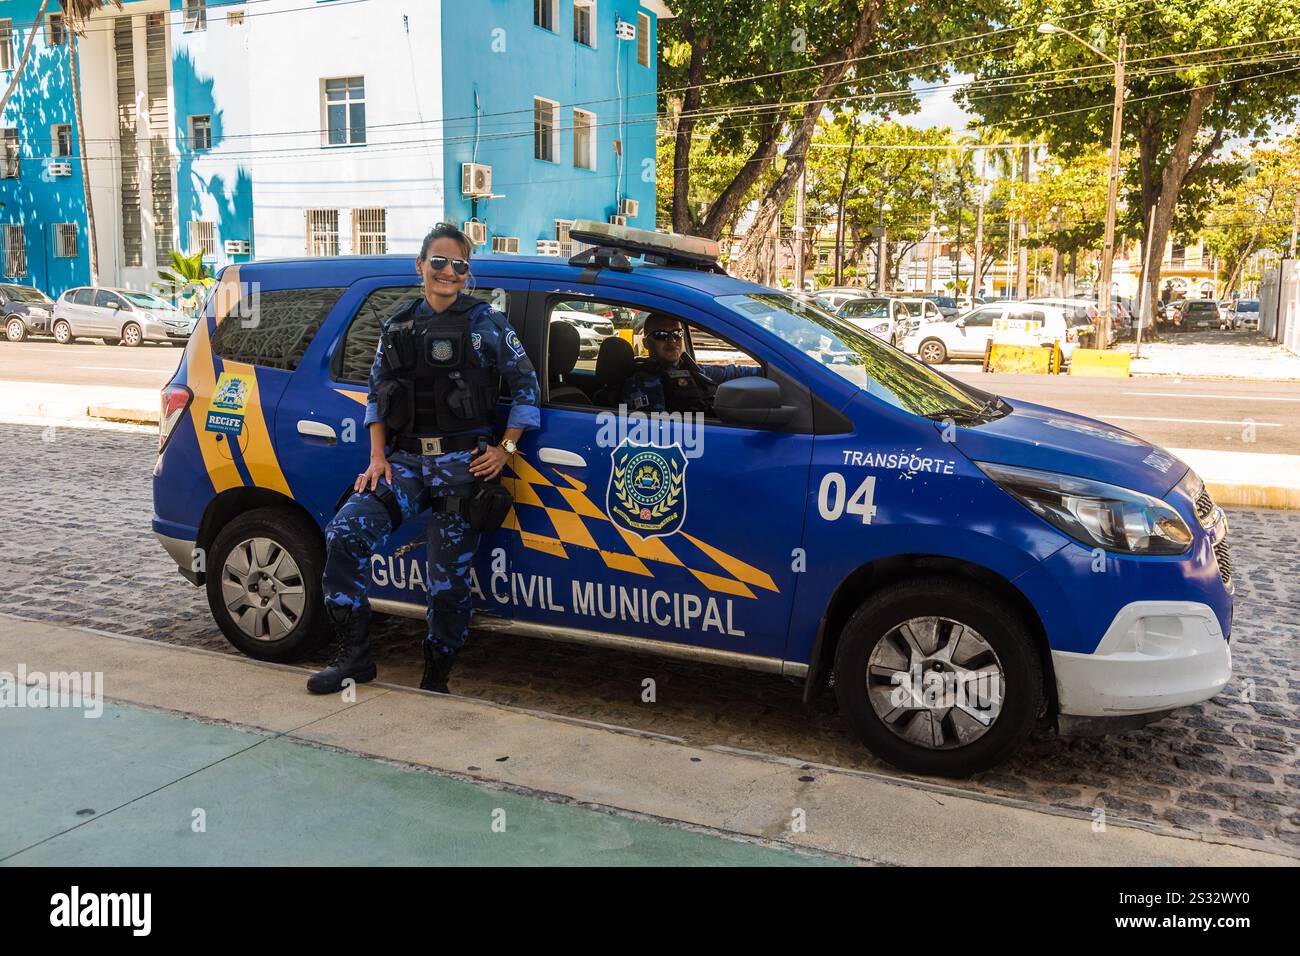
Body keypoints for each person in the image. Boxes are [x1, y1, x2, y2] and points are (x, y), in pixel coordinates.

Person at [307, 223, 540, 696]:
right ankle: (354, 657)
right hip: (406, 464)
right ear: (421, 266)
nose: (448, 272)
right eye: (439, 262)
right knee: (344, 534)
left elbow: (526, 388)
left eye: (459, 265)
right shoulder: (398, 325)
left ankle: (437, 677)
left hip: (462, 468)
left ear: (467, 274)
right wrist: (376, 458)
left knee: (447, 586)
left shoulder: (487, 324)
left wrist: (506, 450)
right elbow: (377, 394)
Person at [621, 313, 761, 414]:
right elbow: (655, 430)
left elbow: (733, 372)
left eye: (677, 334)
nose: (672, 340)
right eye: (661, 335)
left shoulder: (695, 370)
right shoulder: (639, 382)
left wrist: (770, 371)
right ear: (646, 343)